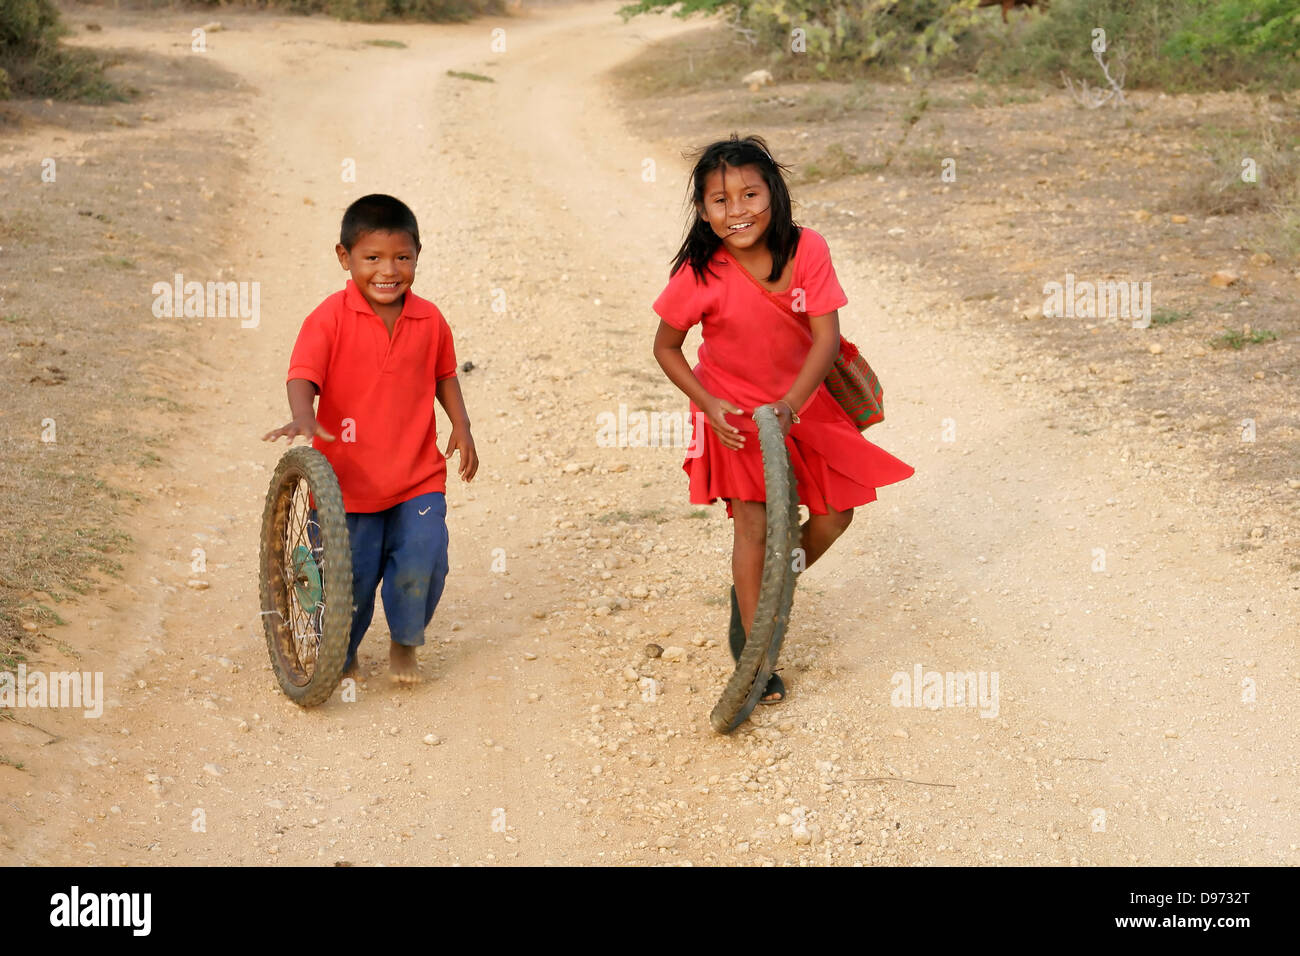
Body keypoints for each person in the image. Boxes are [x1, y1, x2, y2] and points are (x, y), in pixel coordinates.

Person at [651, 135, 914, 703]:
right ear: (703, 210)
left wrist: (792, 405)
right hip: (735, 414)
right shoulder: (701, 273)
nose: (737, 210)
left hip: (803, 403)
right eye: (721, 201)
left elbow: (827, 337)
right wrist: (707, 402)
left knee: (835, 516)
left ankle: (769, 587)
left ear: (775, 192)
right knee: (753, 528)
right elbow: (667, 347)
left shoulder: (806, 250)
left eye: (750, 194)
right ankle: (757, 653)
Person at [263, 194, 477, 685]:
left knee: (425, 560)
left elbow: (445, 374)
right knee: (347, 576)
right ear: (345, 258)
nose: (389, 270)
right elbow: (303, 375)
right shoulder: (328, 319)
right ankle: (344, 647)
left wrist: (460, 426)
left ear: (418, 256)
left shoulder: (429, 319)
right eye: (372, 258)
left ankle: (405, 644)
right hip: (345, 484)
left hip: (416, 476)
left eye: (402, 258)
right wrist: (302, 415)